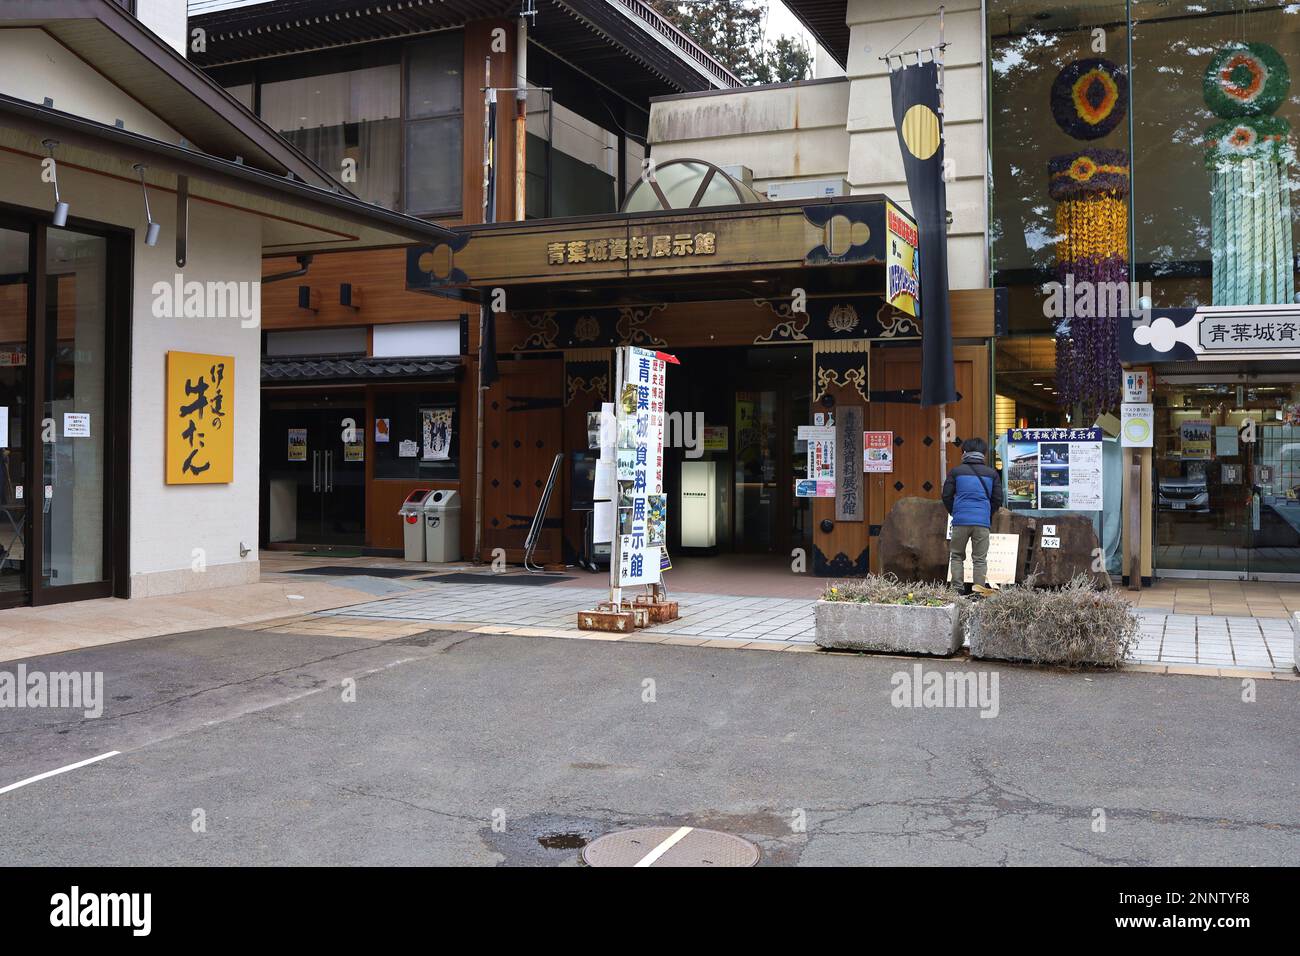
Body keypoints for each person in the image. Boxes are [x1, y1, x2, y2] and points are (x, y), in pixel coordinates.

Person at [941, 437, 1003, 595]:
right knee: (980, 559)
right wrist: (986, 514)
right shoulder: (992, 473)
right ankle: (978, 593)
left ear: (964, 452)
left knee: (956, 556)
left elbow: (946, 496)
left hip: (960, 521)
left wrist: (955, 512)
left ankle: (957, 592)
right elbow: (997, 499)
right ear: (983, 453)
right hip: (982, 522)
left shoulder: (956, 472)